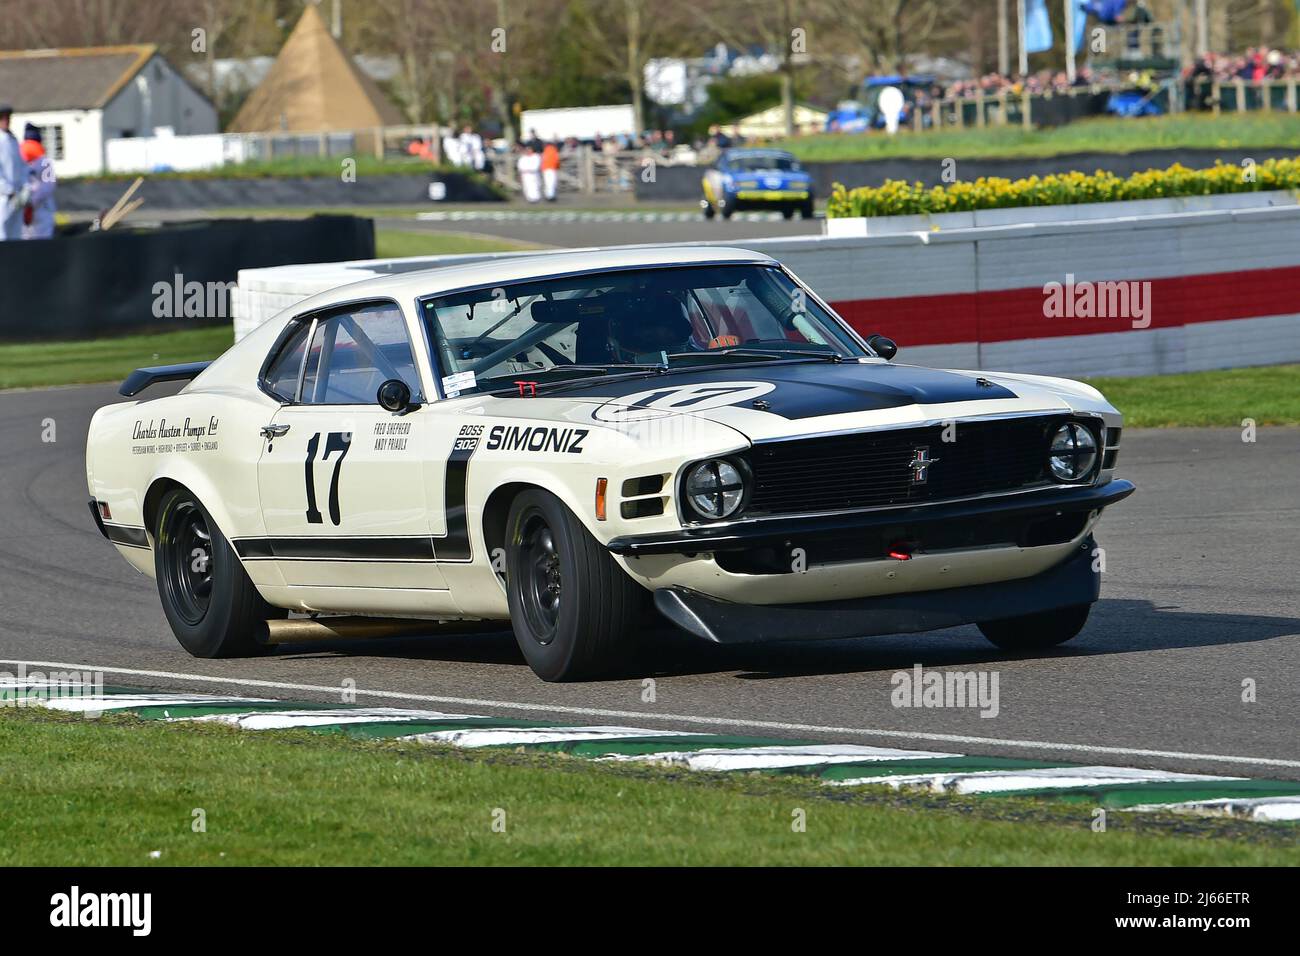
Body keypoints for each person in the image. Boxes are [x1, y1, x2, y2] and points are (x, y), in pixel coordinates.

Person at [20, 124, 55, 239]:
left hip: (40, 207)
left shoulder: (44, 161)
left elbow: (48, 186)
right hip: (23, 207)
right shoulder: (19, 160)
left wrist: (32, 202)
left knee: (42, 240)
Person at [0, 105, 27, 241]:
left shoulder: (12, 140)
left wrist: (24, 187)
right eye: (2, 118)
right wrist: (7, 190)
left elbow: (22, 166)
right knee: (2, 232)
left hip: (16, 195)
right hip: (3, 196)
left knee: (15, 233)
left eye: (7, 118)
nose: (5, 121)